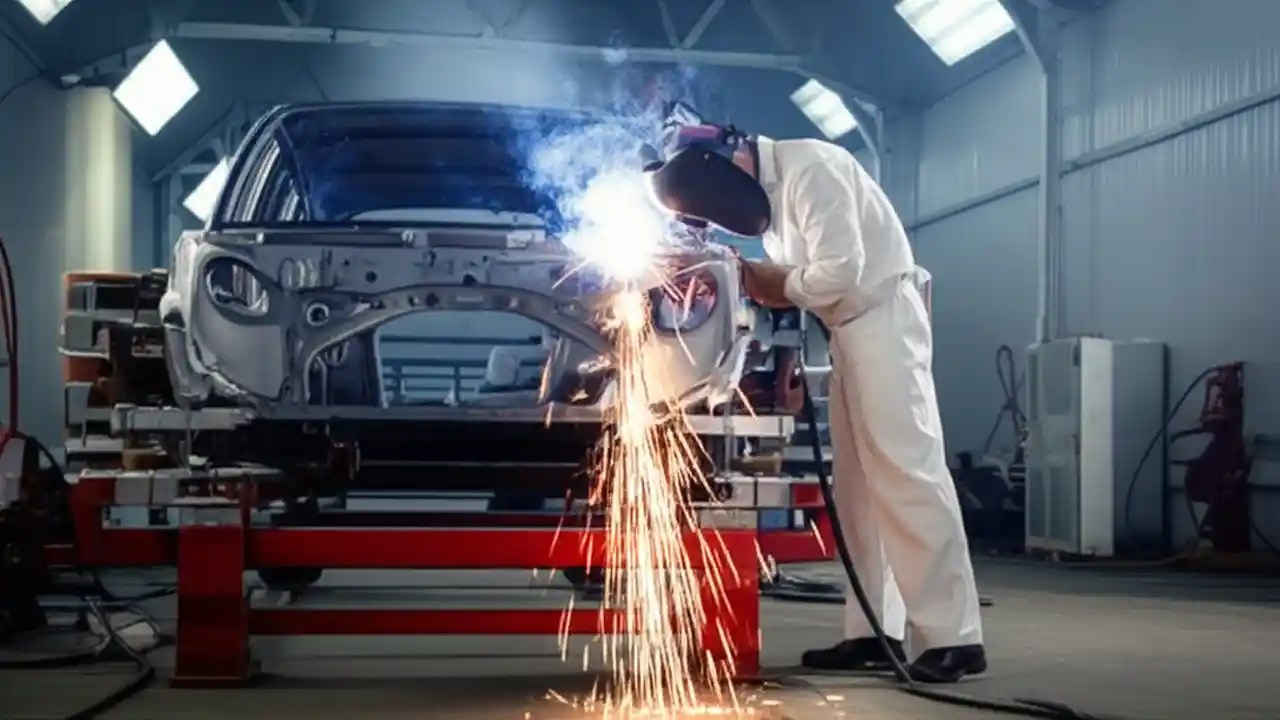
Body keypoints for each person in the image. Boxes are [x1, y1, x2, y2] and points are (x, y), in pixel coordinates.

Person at [646, 127, 986, 683]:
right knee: (858, 490)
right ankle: (873, 631)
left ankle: (955, 638)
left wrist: (768, 281)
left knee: (908, 472)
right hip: (846, 331)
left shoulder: (812, 169)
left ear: (726, 164)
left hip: (884, 322)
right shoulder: (773, 193)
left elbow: (839, 272)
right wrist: (783, 345)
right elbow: (801, 286)